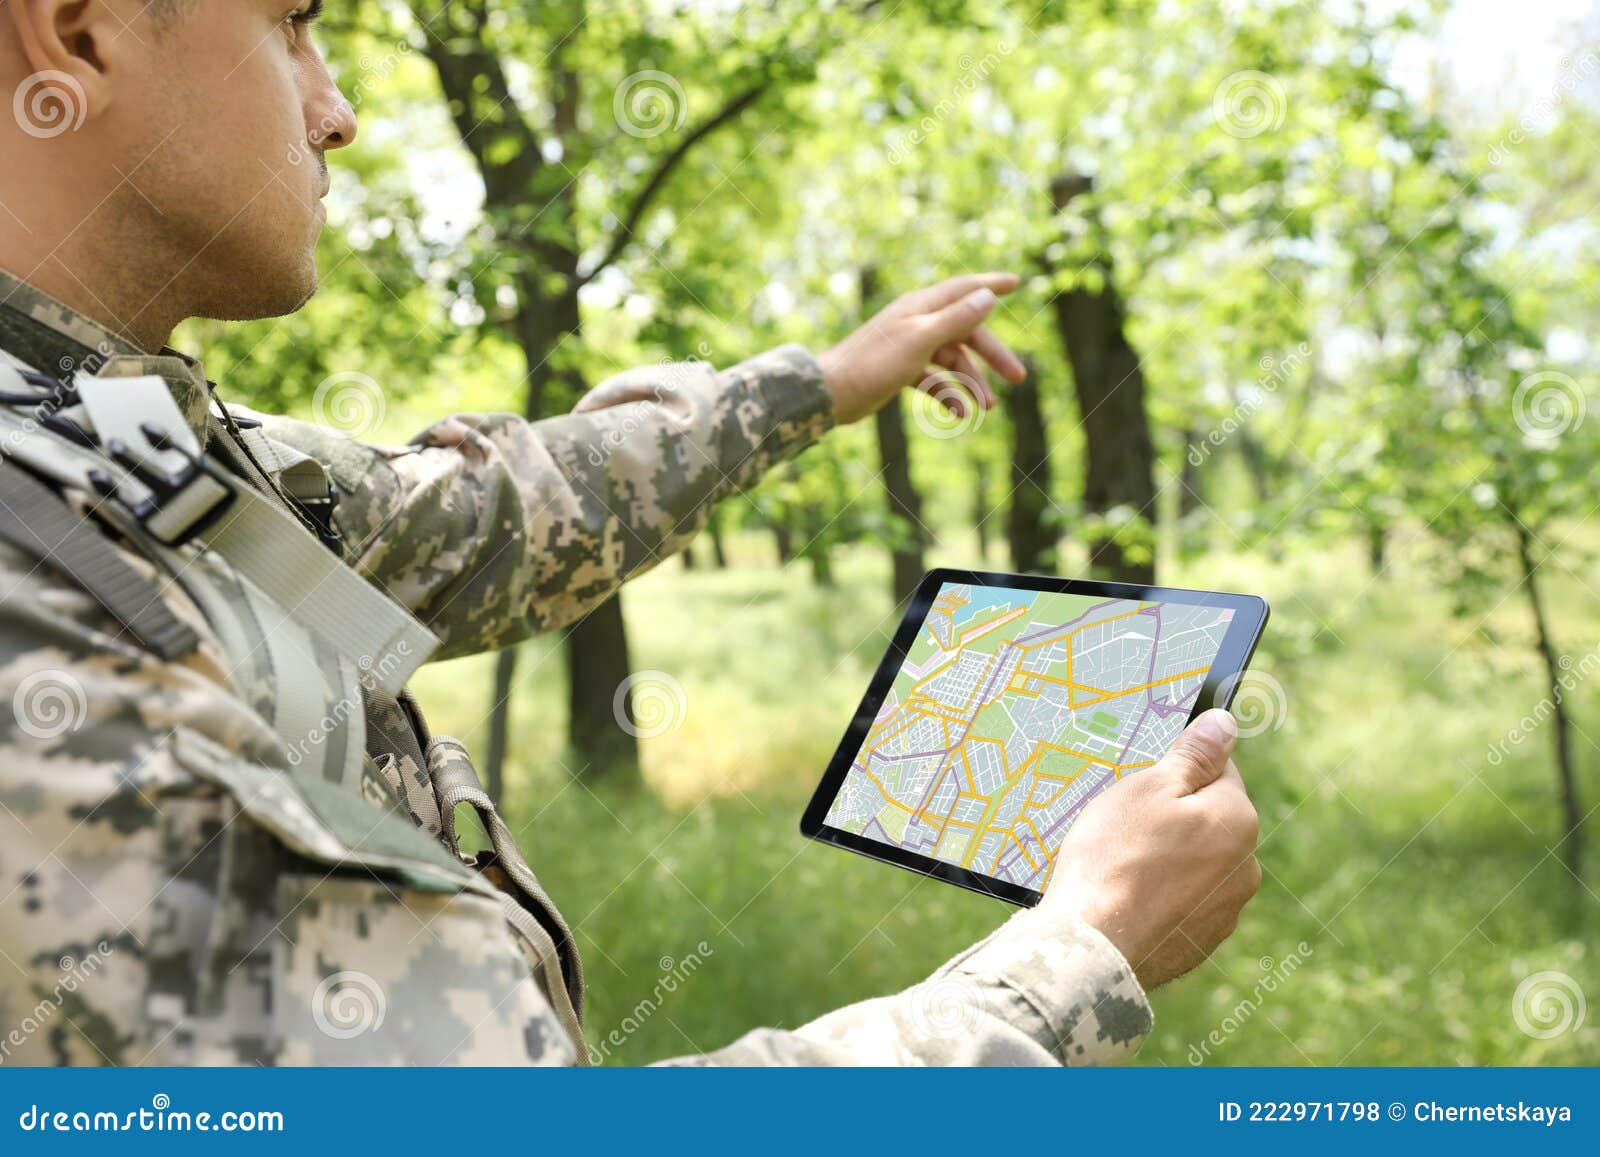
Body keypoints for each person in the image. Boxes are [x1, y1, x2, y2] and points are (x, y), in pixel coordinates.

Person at [0, 0, 1260, 1065]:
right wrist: (1077, 950)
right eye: (291, 26)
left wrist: (820, 383)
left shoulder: (108, 424)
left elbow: (476, 519)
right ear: (75, 34)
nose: (335, 112)